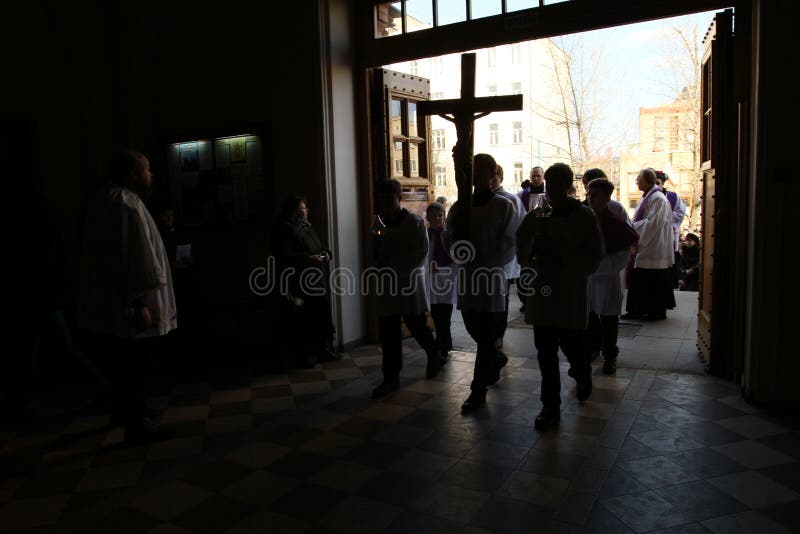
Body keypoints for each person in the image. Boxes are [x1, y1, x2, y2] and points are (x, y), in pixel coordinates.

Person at [77, 149, 176, 443]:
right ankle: (137, 423)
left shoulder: (106, 198)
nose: (150, 175)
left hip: (115, 297)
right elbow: (133, 255)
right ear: (133, 173)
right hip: (130, 300)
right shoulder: (124, 202)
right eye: (146, 170)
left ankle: (128, 411)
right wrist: (139, 302)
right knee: (134, 363)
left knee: (124, 362)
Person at [516, 163, 603, 430]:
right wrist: (530, 258)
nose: (551, 188)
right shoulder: (537, 214)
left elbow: (595, 253)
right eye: (549, 183)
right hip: (543, 290)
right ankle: (550, 405)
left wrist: (568, 260)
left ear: (567, 186)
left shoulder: (584, 216)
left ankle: (582, 372)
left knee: (571, 345)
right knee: (545, 352)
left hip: (569, 290)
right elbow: (522, 240)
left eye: (556, 183)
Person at [446, 152, 517, 413]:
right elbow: (448, 234)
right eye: (473, 170)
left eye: (483, 170)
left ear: (492, 174)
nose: (477, 175)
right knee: (473, 326)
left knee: (486, 334)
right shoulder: (460, 205)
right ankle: (495, 358)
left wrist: (486, 254)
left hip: (490, 275)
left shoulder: (503, 205)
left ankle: (478, 390)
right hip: (468, 274)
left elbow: (510, 240)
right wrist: (459, 249)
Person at [371, 179, 439, 398]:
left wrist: (395, 265)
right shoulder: (378, 223)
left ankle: (434, 354)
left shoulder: (414, 222)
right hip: (387, 284)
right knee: (388, 331)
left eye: (389, 198)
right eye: (381, 199)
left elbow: (421, 252)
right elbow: (374, 250)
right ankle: (390, 378)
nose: (385, 203)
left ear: (399, 198)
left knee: (416, 325)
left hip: (408, 282)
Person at [271, 196, 339, 369]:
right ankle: (306, 355)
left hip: (316, 279)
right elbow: (283, 255)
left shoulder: (305, 226)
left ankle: (322, 349)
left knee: (321, 313)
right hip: (299, 281)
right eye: (303, 208)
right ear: (294, 212)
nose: (307, 211)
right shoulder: (284, 229)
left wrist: (326, 253)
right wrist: (308, 258)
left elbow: (318, 246)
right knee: (304, 318)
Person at [586, 178, 639, 374]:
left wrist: (600, 267)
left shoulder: (615, 223)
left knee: (609, 318)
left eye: (595, 196)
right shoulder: (585, 219)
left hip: (608, 277)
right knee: (590, 316)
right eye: (589, 195)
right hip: (589, 277)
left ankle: (610, 356)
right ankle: (593, 347)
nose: (590, 199)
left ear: (607, 198)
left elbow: (624, 253)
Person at [624, 168, 676, 320]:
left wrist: (632, 227)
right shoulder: (649, 196)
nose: (636, 182)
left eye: (638, 180)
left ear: (646, 181)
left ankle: (654, 312)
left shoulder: (658, 198)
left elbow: (653, 223)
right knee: (642, 280)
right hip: (648, 245)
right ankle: (638, 310)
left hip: (654, 247)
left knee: (652, 281)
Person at [491, 164, 527, 354]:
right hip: (482, 263)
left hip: (503, 260)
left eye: (494, 176)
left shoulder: (510, 199)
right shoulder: (478, 200)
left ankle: (498, 335)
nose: (490, 180)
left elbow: (519, 230)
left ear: (500, 177)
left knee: (500, 300)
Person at [425, 202, 456, 364]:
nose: (437, 218)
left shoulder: (448, 235)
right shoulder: (426, 235)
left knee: (445, 314)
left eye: (440, 215)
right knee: (436, 314)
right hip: (431, 280)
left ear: (444, 217)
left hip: (446, 279)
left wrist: (442, 268)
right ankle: (442, 343)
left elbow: (455, 258)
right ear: (428, 218)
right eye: (433, 216)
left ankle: (443, 345)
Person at [655, 172, 687, 287]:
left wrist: (667, 219)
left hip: (669, 233)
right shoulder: (648, 196)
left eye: (658, 183)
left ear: (663, 184)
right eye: (653, 183)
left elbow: (681, 211)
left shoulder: (672, 197)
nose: (656, 186)